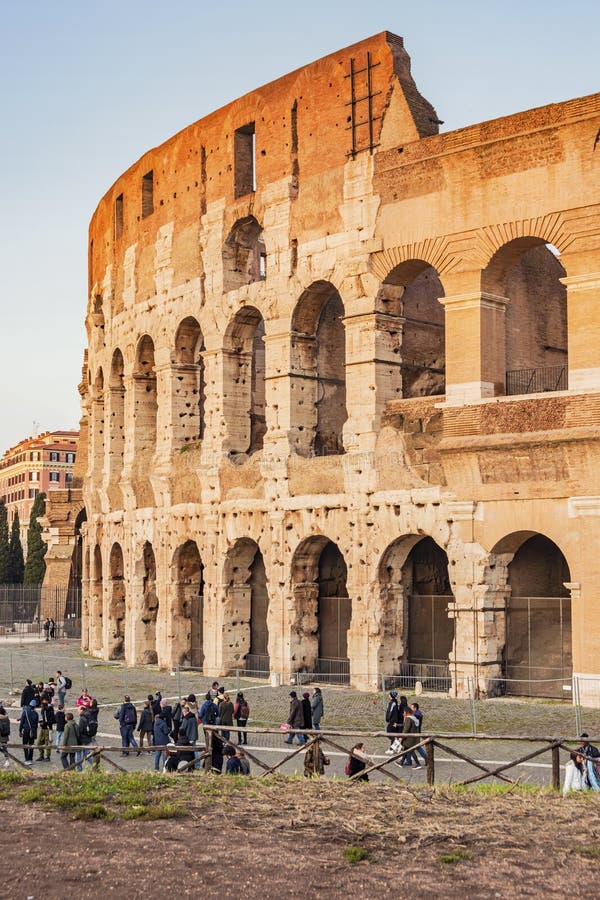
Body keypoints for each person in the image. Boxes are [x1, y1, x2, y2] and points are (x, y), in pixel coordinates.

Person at [19, 700, 39, 765]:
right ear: (34, 706)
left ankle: (26, 759)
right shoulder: (36, 714)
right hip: (32, 732)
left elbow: (22, 722)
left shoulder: (25, 711)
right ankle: (30, 759)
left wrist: (20, 730)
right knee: (31, 745)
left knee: (25, 745)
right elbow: (36, 725)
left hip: (26, 731)